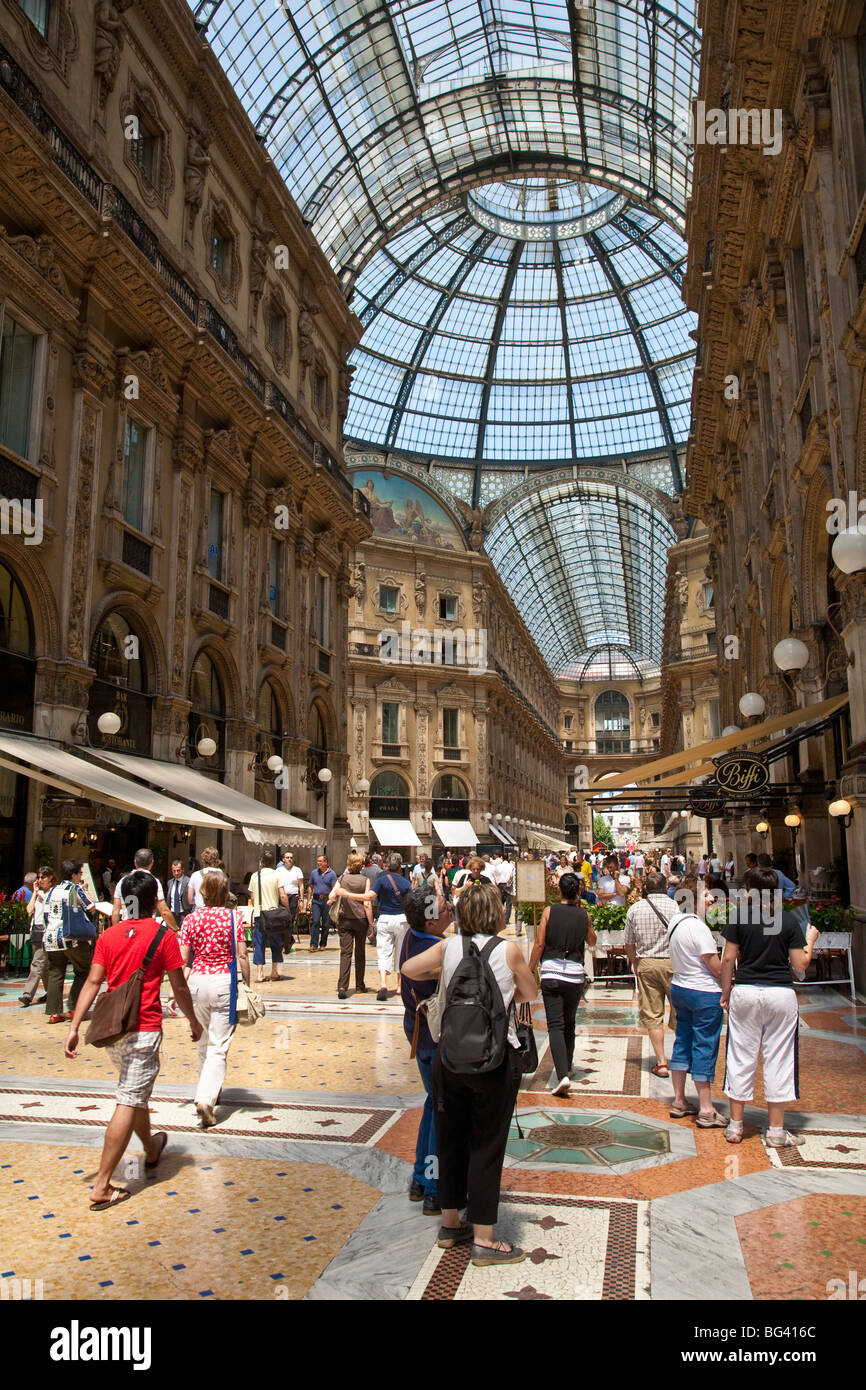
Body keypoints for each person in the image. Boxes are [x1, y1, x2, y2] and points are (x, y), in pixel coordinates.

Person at [402, 881, 537, 1266]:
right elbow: (529, 994)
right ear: (496, 914)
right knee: (486, 1145)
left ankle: (449, 1224)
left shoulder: (447, 948)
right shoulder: (508, 950)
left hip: (450, 1058)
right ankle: (484, 1238)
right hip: (495, 1061)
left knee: (450, 1139)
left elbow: (410, 969)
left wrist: (442, 978)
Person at [64, 870, 201, 1210]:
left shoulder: (108, 936)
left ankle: (152, 1148)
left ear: (124, 900)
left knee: (134, 1091)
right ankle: (102, 1184)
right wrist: (194, 1021)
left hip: (113, 1031)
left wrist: (75, 1026)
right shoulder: (162, 936)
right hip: (143, 1027)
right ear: (153, 901)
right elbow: (179, 986)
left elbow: (93, 983)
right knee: (128, 1099)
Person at [721, 866, 818, 1148]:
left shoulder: (739, 918)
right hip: (779, 994)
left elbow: (728, 960)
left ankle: (736, 1125)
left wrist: (726, 992)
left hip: (746, 991)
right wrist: (810, 940)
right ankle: (776, 1131)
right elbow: (800, 965)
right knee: (779, 1058)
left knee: (740, 1055)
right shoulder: (787, 922)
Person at [178, 869, 249, 1128]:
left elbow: (182, 959)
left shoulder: (190, 919)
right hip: (223, 983)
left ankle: (205, 1092)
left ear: (203, 893)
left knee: (203, 1042)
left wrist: (178, 990)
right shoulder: (233, 917)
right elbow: (242, 955)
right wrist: (247, 983)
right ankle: (206, 1098)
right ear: (224, 893)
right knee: (218, 1046)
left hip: (197, 982)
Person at [399, 885, 453, 1216]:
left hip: (417, 1034)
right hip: (436, 1037)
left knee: (432, 1104)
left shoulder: (410, 936)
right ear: (431, 922)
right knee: (441, 1109)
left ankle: (420, 1178)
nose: (450, 911)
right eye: (446, 909)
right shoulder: (438, 949)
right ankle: (434, 1188)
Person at [666, 875, 726, 1125]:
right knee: (705, 1045)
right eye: (705, 895)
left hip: (680, 988)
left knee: (682, 1041)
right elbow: (713, 964)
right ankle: (706, 1108)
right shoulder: (698, 927)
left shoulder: (675, 922)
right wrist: (729, 975)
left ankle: (679, 1100)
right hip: (703, 992)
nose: (711, 899)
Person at [529, 872, 596, 1096]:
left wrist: (529, 970)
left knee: (555, 1026)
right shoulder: (583, 914)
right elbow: (592, 941)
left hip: (551, 974)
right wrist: (586, 924)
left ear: (559, 890)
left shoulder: (549, 912)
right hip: (574, 975)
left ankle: (562, 1074)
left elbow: (539, 945)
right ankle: (567, 1065)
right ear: (577, 891)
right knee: (569, 1023)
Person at [623, 871, 679, 1077]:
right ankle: (682, 1058)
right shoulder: (675, 907)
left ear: (645, 889)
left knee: (653, 1014)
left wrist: (635, 963)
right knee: (679, 1011)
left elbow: (629, 943)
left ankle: (662, 1062)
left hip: (647, 962)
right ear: (666, 888)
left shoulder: (635, 909)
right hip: (673, 963)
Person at [44, 860, 99, 1024]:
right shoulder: (76, 889)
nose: (81, 876)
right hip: (71, 937)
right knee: (83, 970)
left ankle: (55, 1013)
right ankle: (74, 1008)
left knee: (55, 973)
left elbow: (46, 914)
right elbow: (91, 907)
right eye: (80, 873)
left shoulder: (53, 890)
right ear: (74, 874)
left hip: (52, 938)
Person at [328, 852, 374, 999]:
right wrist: (371, 924)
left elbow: (332, 895)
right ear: (361, 865)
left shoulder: (341, 878)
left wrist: (340, 895)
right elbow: (367, 903)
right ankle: (360, 985)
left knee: (345, 952)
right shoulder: (365, 880)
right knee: (360, 952)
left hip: (345, 920)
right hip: (361, 920)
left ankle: (342, 986)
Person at [371, 853, 412, 1000]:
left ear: (387, 866)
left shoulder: (381, 881)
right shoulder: (406, 883)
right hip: (402, 919)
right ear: (400, 866)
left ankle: (383, 984)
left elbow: (370, 896)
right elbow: (410, 902)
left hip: (385, 918)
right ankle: (400, 987)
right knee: (401, 953)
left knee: (383, 951)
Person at [112, 849, 177, 932]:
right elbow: (163, 910)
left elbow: (116, 910)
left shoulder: (122, 882)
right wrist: (176, 929)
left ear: (135, 862)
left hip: (127, 930)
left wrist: (116, 931)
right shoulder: (154, 882)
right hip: (147, 930)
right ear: (152, 863)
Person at [249, 849, 289, 982]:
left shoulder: (255, 876)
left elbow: (253, 897)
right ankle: (274, 971)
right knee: (276, 943)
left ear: (261, 862)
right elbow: (283, 895)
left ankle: (260, 973)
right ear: (272, 862)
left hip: (259, 914)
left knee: (259, 942)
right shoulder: (276, 875)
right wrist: (287, 909)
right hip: (273, 914)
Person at [19, 866, 54, 1006]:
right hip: (36, 930)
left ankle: (27, 994)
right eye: (38, 878)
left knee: (37, 964)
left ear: (51, 878)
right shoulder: (37, 893)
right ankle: (51, 992)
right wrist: (34, 894)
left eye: (43, 877)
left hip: (47, 931)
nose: (40, 880)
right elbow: (29, 910)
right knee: (44, 966)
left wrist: (40, 894)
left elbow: (51, 906)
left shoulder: (53, 892)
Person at [306, 853, 338, 952]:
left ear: (326, 862)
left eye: (320, 861)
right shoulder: (314, 873)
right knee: (315, 921)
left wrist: (332, 899)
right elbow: (310, 886)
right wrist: (309, 900)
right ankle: (313, 944)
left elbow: (334, 888)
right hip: (316, 900)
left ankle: (323, 943)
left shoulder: (332, 874)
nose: (318, 863)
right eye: (318, 861)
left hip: (327, 900)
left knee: (326, 923)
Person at [276, 851, 304, 934]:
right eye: (287, 857)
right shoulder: (278, 870)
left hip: (293, 897)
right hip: (282, 896)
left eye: (291, 857)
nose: (289, 859)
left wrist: (301, 900)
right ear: (283, 859)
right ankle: (282, 937)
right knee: (281, 918)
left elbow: (301, 885)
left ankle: (288, 937)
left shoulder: (297, 870)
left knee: (291, 917)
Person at [166, 860, 192, 930]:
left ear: (183, 870)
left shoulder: (189, 882)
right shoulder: (170, 882)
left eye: (178, 870)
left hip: (184, 914)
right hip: (172, 915)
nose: (176, 873)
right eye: (174, 871)